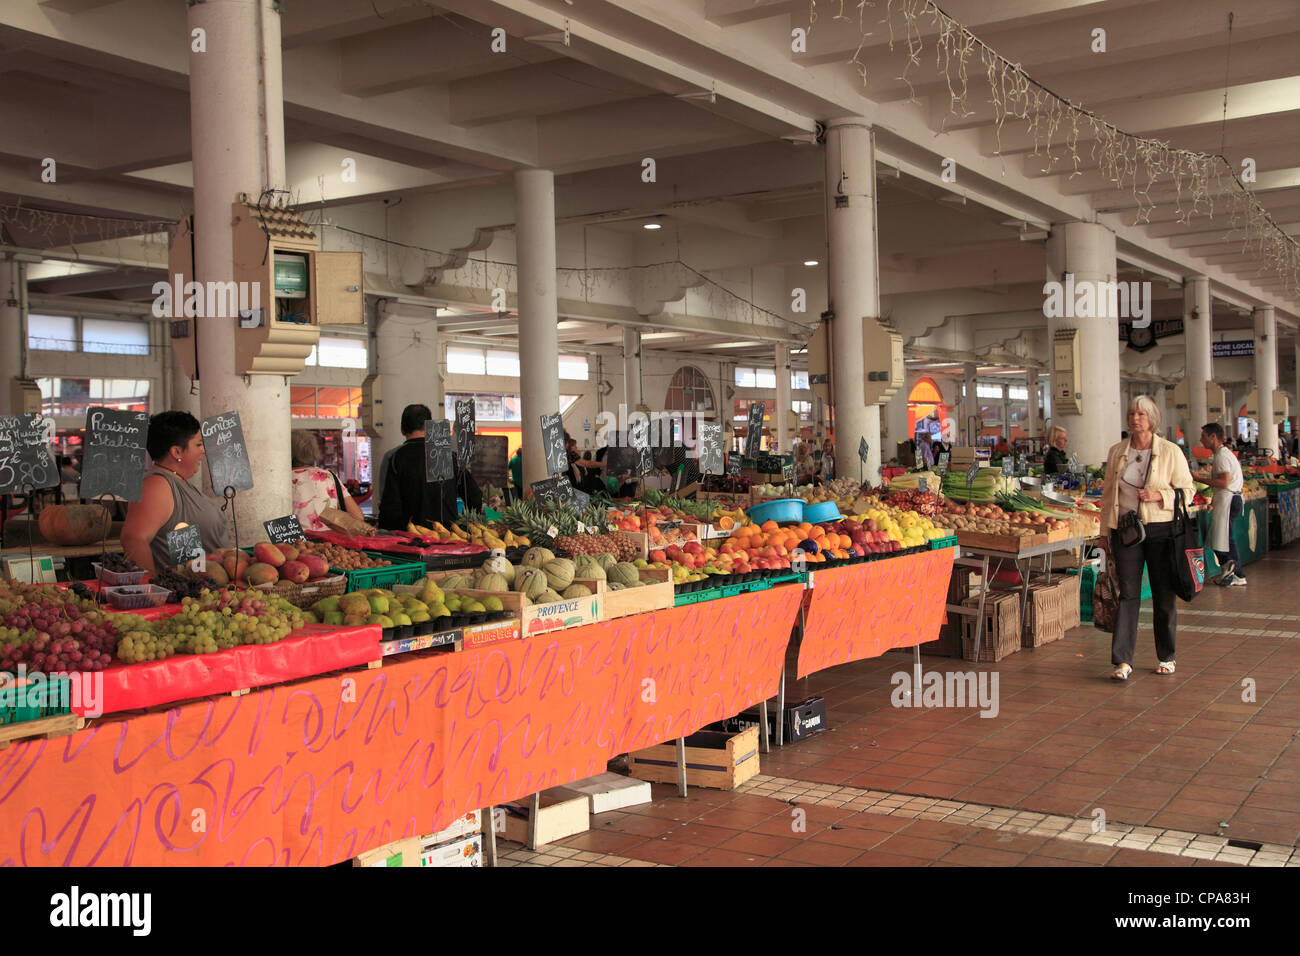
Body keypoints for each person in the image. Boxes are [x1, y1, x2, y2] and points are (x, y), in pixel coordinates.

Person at [1099, 395, 1196, 680]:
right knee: (1127, 594)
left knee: (1163, 594)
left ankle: (1166, 656)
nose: (1135, 418)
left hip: (1161, 530)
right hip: (1126, 531)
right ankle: (1122, 660)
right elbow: (1108, 496)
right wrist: (1104, 532)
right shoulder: (1118, 451)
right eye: (1131, 413)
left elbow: (1187, 491)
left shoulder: (1170, 451)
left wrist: (1159, 496)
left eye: (1141, 414)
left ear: (1152, 418)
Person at [121, 411, 231, 574]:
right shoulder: (156, 484)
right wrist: (151, 589)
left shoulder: (178, 482)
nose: (203, 451)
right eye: (198, 444)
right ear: (177, 452)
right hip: (182, 594)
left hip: (206, 589)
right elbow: (134, 538)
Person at [377, 404, 481, 530]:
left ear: (402, 429)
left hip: (411, 539)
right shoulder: (449, 456)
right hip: (449, 536)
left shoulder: (395, 458)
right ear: (429, 427)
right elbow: (474, 497)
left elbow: (390, 509)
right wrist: (466, 525)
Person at [1199, 423, 1245, 587]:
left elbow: (1224, 482)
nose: (1200, 439)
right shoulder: (1223, 454)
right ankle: (1232, 570)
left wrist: (1199, 479)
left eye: (1203, 436)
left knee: (1224, 538)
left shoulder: (1221, 456)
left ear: (1213, 437)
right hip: (1228, 499)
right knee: (1222, 537)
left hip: (1229, 499)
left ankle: (1234, 570)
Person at [290, 431, 363, 532]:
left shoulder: (282, 479)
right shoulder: (329, 476)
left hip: (297, 544)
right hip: (330, 544)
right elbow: (357, 517)